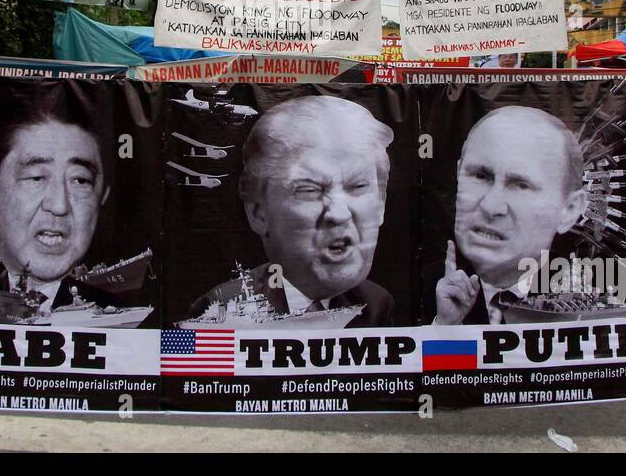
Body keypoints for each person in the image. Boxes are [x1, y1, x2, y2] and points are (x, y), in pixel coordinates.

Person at [187, 96, 395, 327]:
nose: (339, 213)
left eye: (358, 186)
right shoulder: (219, 309)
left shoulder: (376, 304)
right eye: (309, 189)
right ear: (258, 212)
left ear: (381, 203)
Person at [429, 106, 587, 325]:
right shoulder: (415, 291)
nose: (491, 206)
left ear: (569, 210)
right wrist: (445, 327)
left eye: (520, 185)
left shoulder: (585, 299)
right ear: (458, 175)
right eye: (480, 176)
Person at [0, 90, 119, 312]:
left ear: (101, 199)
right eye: (36, 178)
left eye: (80, 180)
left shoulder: (127, 323)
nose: (59, 205)